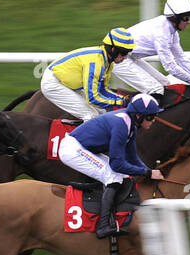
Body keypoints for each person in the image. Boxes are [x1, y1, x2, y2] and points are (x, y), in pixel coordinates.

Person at [56, 94, 166, 237]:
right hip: (73, 149)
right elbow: (117, 164)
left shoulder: (131, 125)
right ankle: (103, 226)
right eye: (151, 117)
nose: (153, 121)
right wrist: (147, 173)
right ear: (138, 115)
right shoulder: (122, 126)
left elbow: (132, 158)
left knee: (122, 176)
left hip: (83, 148)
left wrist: (148, 171)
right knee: (113, 176)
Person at [113, 0, 190, 97]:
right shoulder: (162, 34)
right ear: (174, 17)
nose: (189, 22)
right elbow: (170, 67)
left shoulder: (172, 32)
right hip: (118, 59)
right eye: (186, 18)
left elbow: (181, 59)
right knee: (156, 90)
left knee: (166, 85)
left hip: (129, 56)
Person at [40, 28, 136, 121]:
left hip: (66, 83)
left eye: (128, 52)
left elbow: (103, 90)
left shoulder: (107, 63)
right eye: (124, 52)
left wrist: (125, 99)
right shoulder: (95, 63)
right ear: (113, 49)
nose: (126, 57)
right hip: (53, 83)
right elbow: (93, 98)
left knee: (102, 113)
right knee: (90, 116)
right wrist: (120, 102)